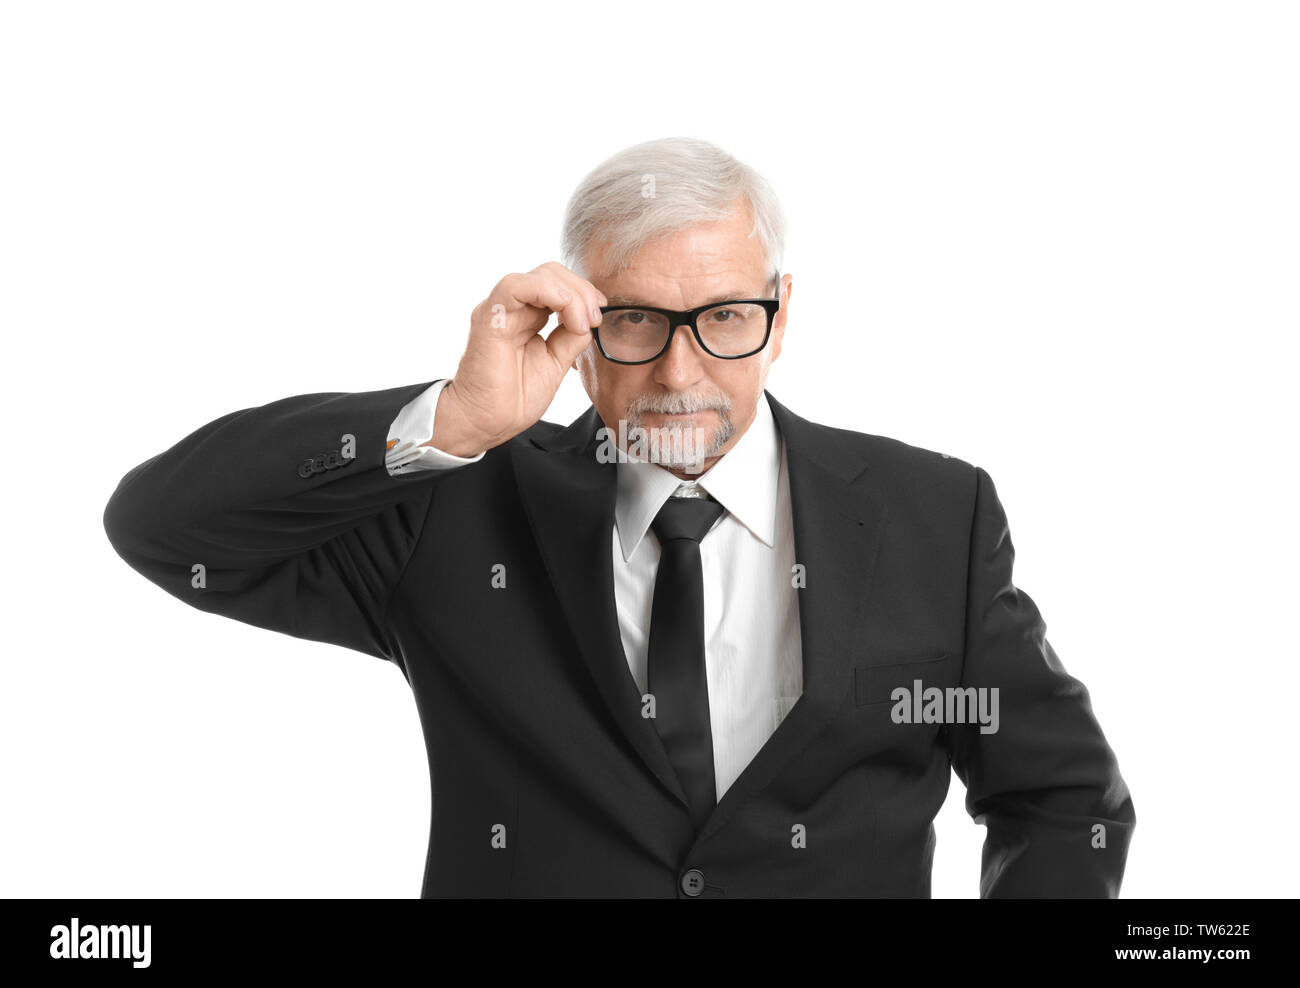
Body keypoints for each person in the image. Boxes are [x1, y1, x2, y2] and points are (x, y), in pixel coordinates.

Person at [103, 136, 1135, 898]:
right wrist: (452, 420)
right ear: (573, 325)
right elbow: (163, 527)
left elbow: (1061, 798)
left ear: (781, 315)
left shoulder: (931, 516)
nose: (680, 374)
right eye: (634, 320)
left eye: (724, 317)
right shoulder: (454, 512)